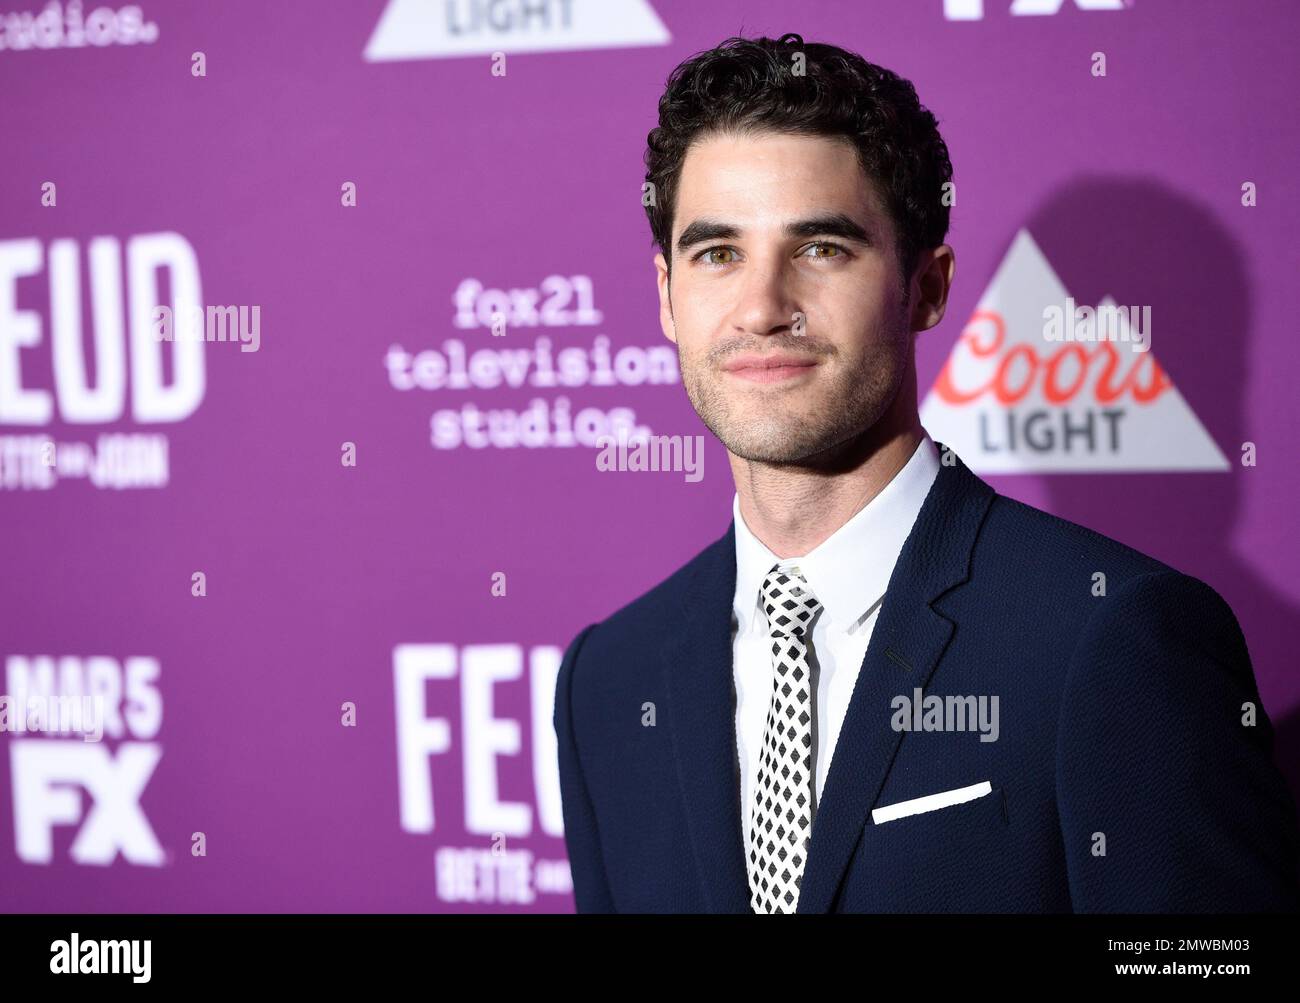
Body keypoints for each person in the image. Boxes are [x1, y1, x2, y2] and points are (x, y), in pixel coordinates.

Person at [553, 32, 1300, 913]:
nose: (761, 307)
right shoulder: (610, 678)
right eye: (717, 253)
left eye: (822, 248)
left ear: (927, 287)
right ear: (666, 296)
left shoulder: (1114, 639)